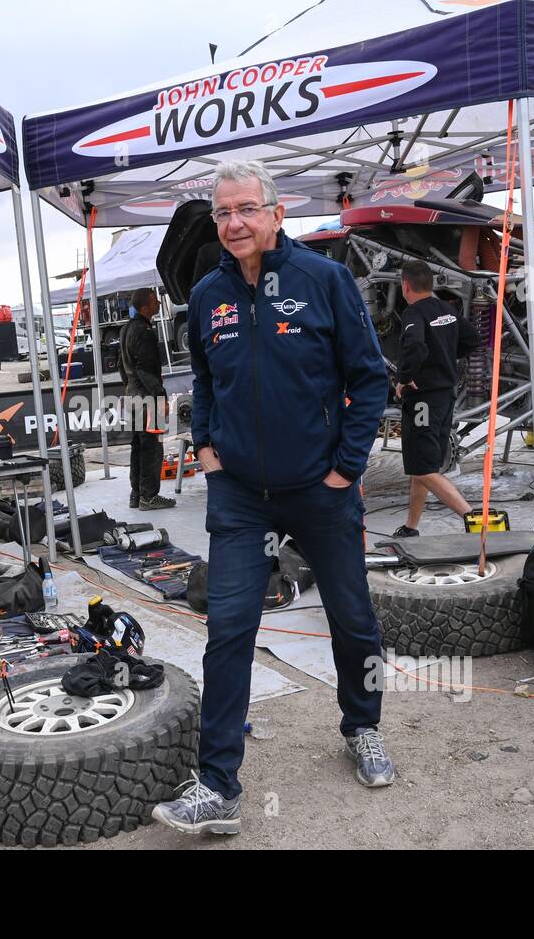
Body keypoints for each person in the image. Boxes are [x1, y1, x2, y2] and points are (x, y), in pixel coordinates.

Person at [151, 159, 390, 837]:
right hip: (240, 498)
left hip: (321, 491)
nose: (234, 223)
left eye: (247, 209)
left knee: (354, 620)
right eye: (224, 213)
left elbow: (370, 378)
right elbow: (201, 374)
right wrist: (205, 449)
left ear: (277, 213)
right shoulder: (207, 294)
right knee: (229, 629)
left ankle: (363, 727)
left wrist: (345, 468)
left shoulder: (325, 280)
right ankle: (219, 785)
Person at [391, 260, 482, 537]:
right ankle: (411, 527)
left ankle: (476, 521)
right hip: (446, 395)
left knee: (424, 469)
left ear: (405, 286)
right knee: (424, 465)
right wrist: (445, 355)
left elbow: (415, 345)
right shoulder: (448, 310)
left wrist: (404, 378)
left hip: (423, 399)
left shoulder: (413, 313)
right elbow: (473, 339)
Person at [120, 287, 174, 510]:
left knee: (138, 446)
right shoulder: (145, 332)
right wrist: (161, 398)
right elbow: (146, 371)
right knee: (151, 448)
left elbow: (124, 369)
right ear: (144, 307)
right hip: (147, 398)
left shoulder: (125, 329)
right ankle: (149, 497)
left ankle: (137, 494)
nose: (159, 305)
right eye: (154, 302)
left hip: (132, 395)